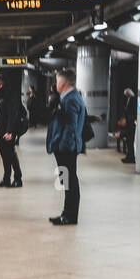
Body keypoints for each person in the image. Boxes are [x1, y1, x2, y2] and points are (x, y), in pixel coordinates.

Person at [46, 68, 85, 225]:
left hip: (67, 149)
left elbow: (70, 127)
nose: (56, 84)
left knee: (70, 183)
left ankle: (69, 216)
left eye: (57, 80)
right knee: (68, 182)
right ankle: (67, 213)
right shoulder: (68, 98)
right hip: (66, 148)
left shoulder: (71, 99)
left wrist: (63, 146)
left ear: (62, 82)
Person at [0, 75, 24, 188]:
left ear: (0, 84)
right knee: (6, 157)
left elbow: (12, 114)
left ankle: (18, 179)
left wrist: (10, 131)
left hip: (7, 132)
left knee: (11, 156)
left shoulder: (9, 95)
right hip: (2, 131)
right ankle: (6, 179)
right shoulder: (1, 95)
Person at [120, 88, 136, 163]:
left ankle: (131, 157)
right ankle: (128, 156)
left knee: (130, 141)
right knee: (128, 141)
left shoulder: (133, 100)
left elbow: (133, 112)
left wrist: (128, 119)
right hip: (127, 123)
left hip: (131, 123)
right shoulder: (128, 100)